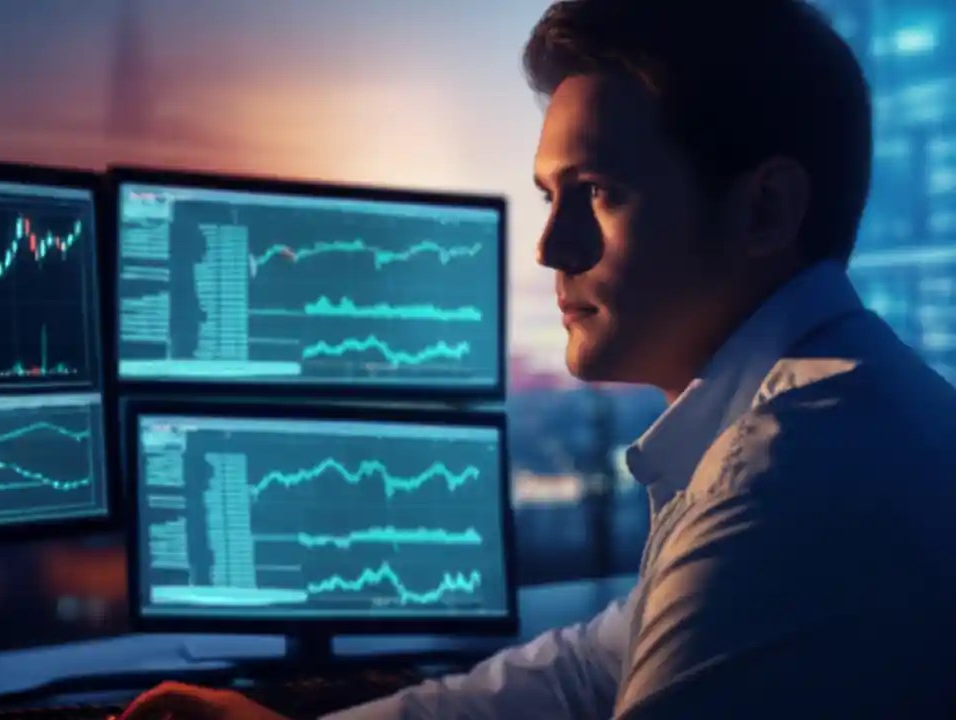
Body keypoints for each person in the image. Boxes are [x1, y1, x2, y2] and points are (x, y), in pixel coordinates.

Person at [121, 0, 956, 717]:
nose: (553, 246)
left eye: (598, 191)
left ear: (765, 209)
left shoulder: (777, 482)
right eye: (551, 197)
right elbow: (586, 673)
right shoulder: (852, 407)